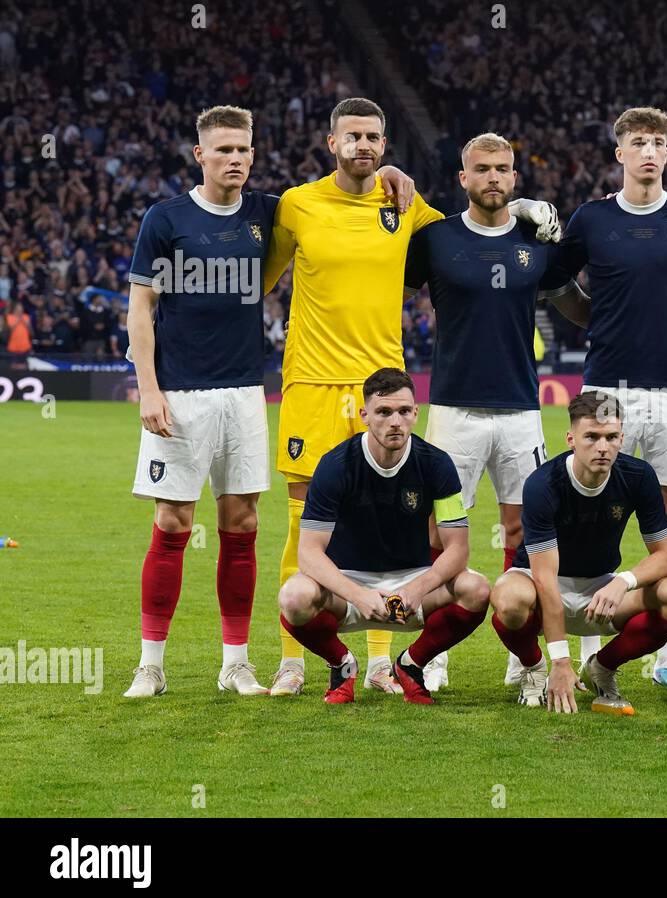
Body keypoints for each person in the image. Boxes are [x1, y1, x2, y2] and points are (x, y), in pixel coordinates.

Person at [535, 106, 667, 691]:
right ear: (619, 154)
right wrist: (593, 318)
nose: (648, 152)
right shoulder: (591, 219)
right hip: (607, 383)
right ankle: (587, 641)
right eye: (638, 142)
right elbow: (553, 279)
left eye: (658, 143)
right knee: (588, 505)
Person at [261, 97, 436, 697]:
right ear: (330, 143)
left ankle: (383, 661)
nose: (364, 145)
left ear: (385, 146)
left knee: (385, 526)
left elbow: (469, 239)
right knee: (300, 525)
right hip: (310, 385)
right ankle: (292, 658)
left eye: (374, 137)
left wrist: (517, 211)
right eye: (353, 135)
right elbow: (259, 280)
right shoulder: (297, 204)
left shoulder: (404, 204)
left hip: (383, 389)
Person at [402, 132, 569, 691]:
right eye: (482, 169)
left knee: (524, 527)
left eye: (503, 169)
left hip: (522, 409)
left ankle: (523, 658)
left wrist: (549, 222)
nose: (493, 177)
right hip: (453, 409)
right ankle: (437, 649)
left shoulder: (534, 240)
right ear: (463, 178)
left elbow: (568, 267)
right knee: (442, 529)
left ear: (515, 179)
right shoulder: (436, 239)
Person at [122, 105, 276, 698]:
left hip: (243, 393)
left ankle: (235, 662)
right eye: (223, 150)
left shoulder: (266, 214)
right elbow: (142, 307)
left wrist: (394, 176)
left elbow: (333, 197)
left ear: (252, 155)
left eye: (243, 150)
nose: (234, 159)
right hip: (181, 393)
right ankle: (151, 665)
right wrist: (149, 389)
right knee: (172, 522)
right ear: (200, 155)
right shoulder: (167, 219)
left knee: (242, 524)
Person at [278, 368, 489, 704]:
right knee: (293, 597)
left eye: (404, 412)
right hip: (347, 587)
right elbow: (309, 553)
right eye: (384, 412)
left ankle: (411, 664)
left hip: (412, 582)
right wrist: (358, 595)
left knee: (476, 589)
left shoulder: (437, 464)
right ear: (364, 416)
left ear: (416, 414)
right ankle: (341, 664)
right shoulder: (335, 466)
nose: (395, 422)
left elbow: (457, 549)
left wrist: (416, 589)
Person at [489, 391, 667, 714]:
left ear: (622, 438)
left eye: (611, 437)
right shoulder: (543, 484)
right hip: (542, 586)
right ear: (571, 438)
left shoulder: (639, 477)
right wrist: (560, 660)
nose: (603, 446)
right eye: (592, 437)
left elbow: (666, 556)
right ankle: (535, 668)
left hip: (602, 587)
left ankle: (602, 667)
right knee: (508, 598)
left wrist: (622, 581)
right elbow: (544, 579)